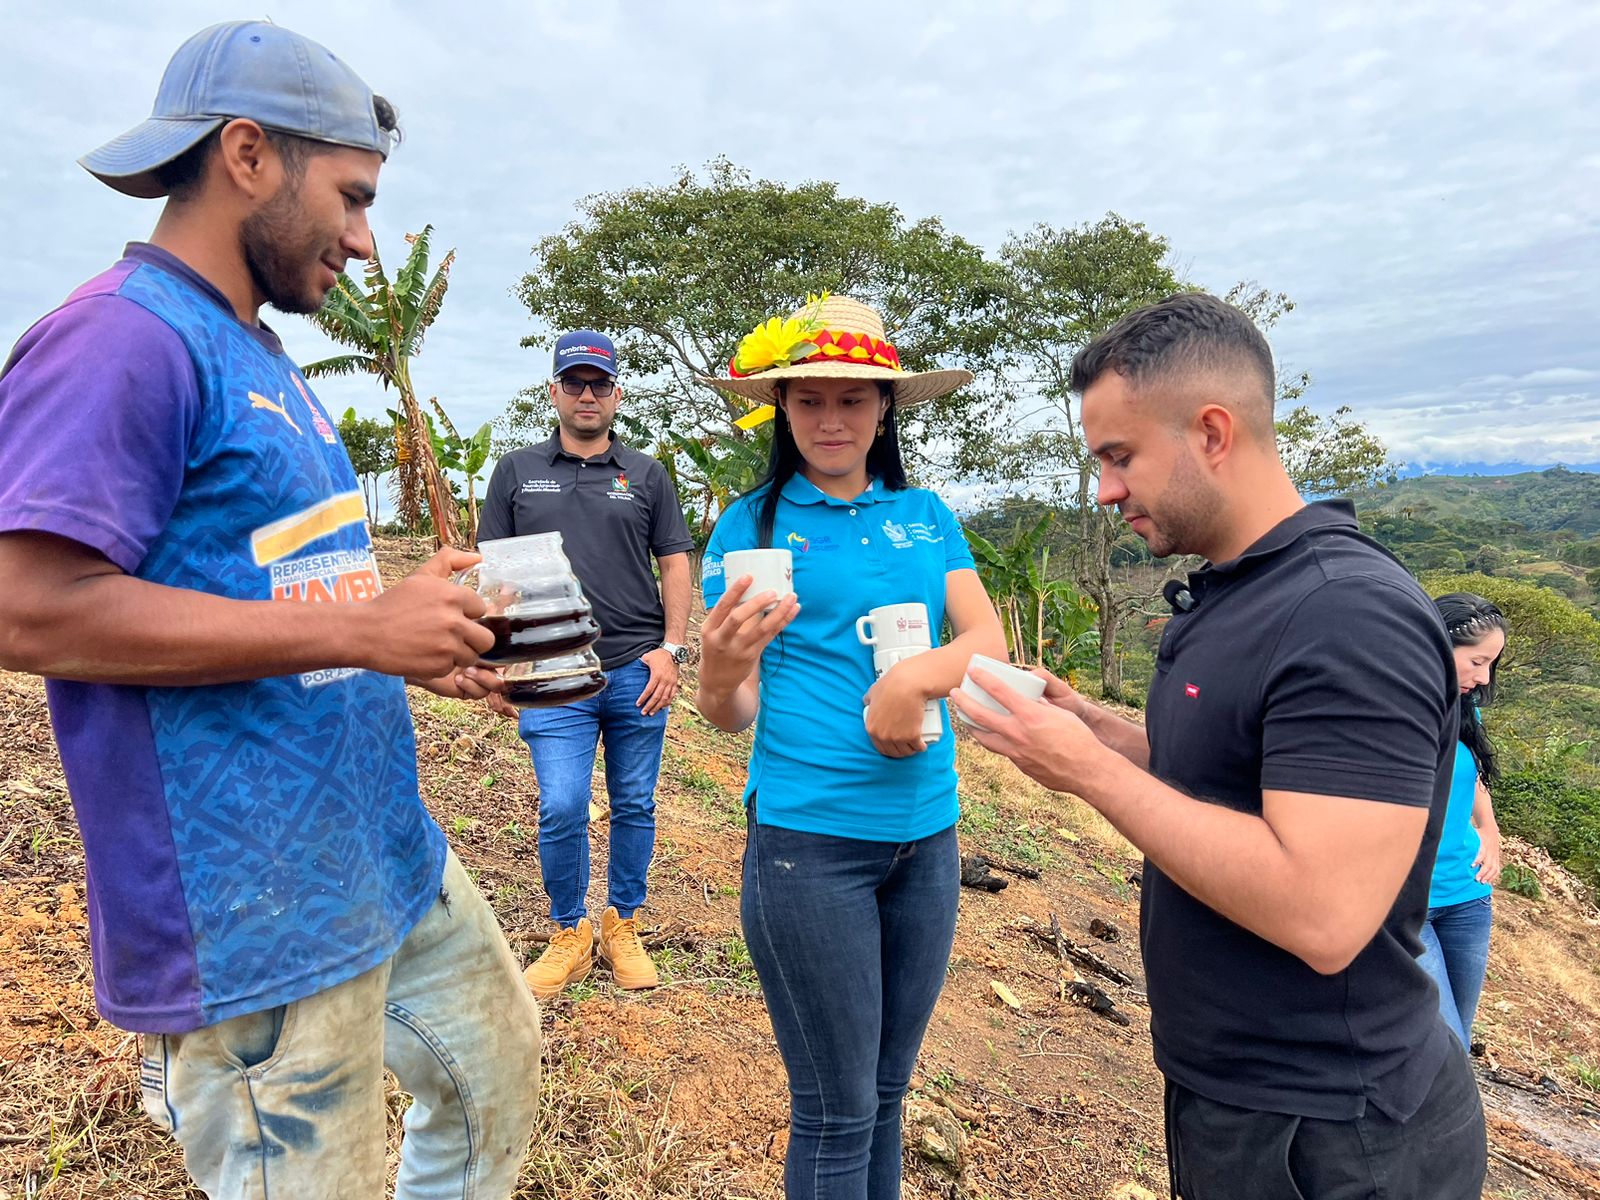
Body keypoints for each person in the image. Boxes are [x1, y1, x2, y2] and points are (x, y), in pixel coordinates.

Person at [0, 22, 540, 1197]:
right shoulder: (121, 341)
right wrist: (358, 630)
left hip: (374, 851)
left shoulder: (258, 353)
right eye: (351, 198)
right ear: (247, 155)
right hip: (251, 914)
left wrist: (410, 640)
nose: (364, 238)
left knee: (497, 1071)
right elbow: (25, 608)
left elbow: (272, 588)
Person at [953, 293, 1486, 1198]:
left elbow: (1323, 914)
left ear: (1211, 431)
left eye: (1119, 457)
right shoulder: (1232, 591)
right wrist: (1095, 728)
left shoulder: (1344, 614)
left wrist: (1083, 773)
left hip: (1338, 1134)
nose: (1106, 489)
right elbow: (1220, 782)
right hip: (1237, 1098)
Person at [694, 295, 1007, 1199]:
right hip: (808, 844)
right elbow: (733, 709)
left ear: (885, 411)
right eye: (810, 401)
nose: (831, 420)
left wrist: (915, 680)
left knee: (887, 1095)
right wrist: (715, 670)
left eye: (854, 400)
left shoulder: (925, 513)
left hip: (929, 836)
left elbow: (986, 638)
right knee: (834, 1111)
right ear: (783, 410)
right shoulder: (749, 528)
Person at [478, 329, 694, 998]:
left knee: (634, 800)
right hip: (551, 673)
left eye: (600, 383)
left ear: (617, 394)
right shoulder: (516, 471)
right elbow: (493, 574)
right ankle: (568, 930)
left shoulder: (647, 475)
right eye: (574, 383)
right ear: (554, 392)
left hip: (637, 669)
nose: (587, 394)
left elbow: (676, 563)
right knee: (564, 803)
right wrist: (499, 659)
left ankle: (622, 922)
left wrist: (672, 649)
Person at [1422, 592, 1508, 1049]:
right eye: (1477, 661)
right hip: (1406, 904)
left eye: (1490, 663)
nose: (1484, 676)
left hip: (1468, 899)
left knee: (1459, 1038)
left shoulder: (1462, 708)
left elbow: (1471, 778)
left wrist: (1489, 831)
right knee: (1441, 1045)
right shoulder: (1392, 708)